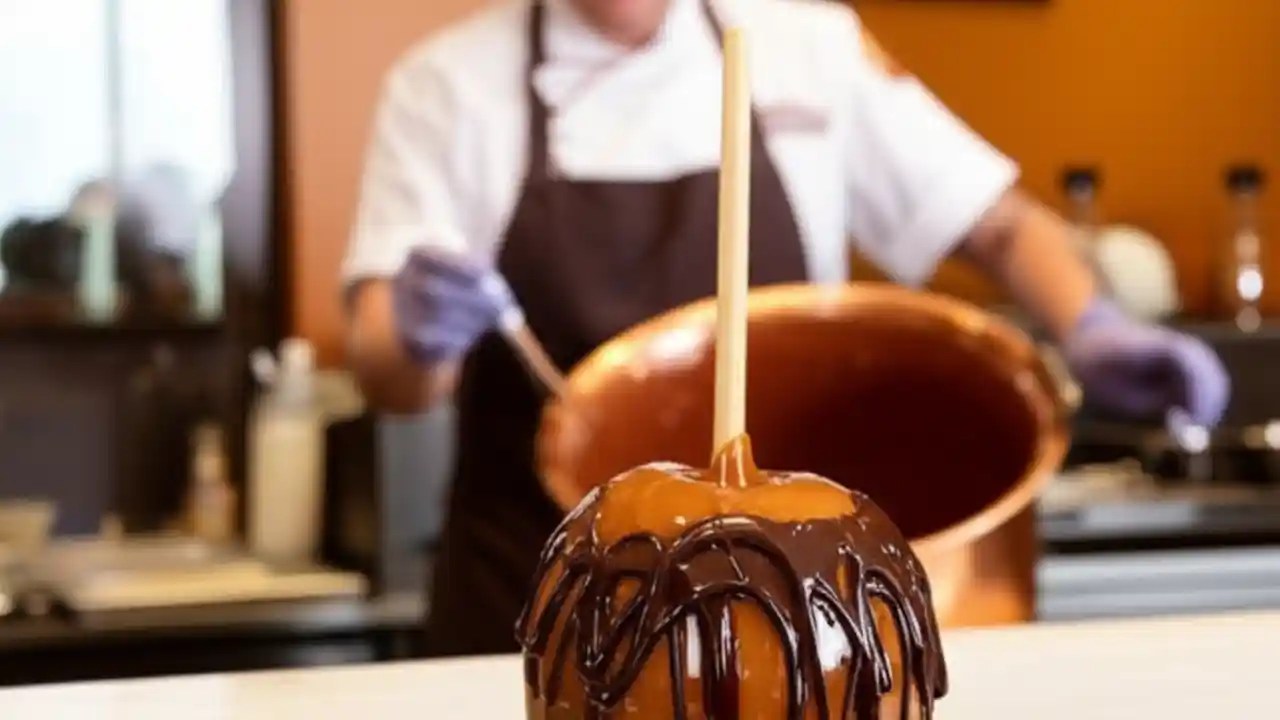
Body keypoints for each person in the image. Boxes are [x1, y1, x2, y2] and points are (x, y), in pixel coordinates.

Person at [342, 0, 1229, 657]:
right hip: (551, 617)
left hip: (799, 616)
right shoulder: (447, 86)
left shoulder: (805, 44)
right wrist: (417, 336)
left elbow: (994, 224)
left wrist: (1091, 321)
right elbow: (391, 375)